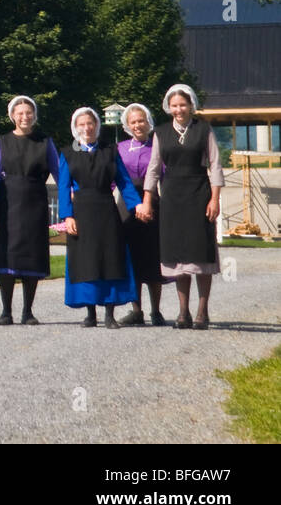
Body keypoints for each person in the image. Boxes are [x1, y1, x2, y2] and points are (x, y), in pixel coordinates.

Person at [139, 84, 224, 329]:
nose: (179, 109)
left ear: (191, 105)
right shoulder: (161, 132)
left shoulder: (203, 129)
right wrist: (147, 199)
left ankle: (202, 311)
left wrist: (215, 199)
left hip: (199, 193)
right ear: (169, 107)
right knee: (178, 257)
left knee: (200, 253)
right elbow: (153, 169)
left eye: (183, 105)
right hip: (172, 198)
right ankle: (183, 311)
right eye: (174, 105)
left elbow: (215, 166)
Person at [58, 107, 142, 328]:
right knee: (86, 261)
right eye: (82, 124)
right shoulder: (68, 153)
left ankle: (109, 314)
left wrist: (137, 206)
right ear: (76, 128)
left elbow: (124, 181)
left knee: (110, 258)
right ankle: (90, 313)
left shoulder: (110, 150)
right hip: (81, 213)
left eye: (90, 123)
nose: (87, 128)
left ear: (97, 125)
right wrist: (67, 216)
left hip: (106, 209)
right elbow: (64, 188)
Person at [0, 95, 60, 325]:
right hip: (8, 203)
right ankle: (6, 311)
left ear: (34, 115)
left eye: (29, 112)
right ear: (12, 116)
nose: (25, 116)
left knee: (33, 255)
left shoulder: (45, 142)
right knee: (8, 254)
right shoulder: (1, 141)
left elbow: (59, 173)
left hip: (35, 203)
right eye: (20, 113)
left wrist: (73, 196)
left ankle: (28, 311)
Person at [117, 103, 165, 326]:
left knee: (152, 258)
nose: (137, 125)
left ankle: (156, 311)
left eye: (141, 120)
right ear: (127, 125)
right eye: (133, 121)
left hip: (153, 204)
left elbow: (165, 176)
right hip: (127, 207)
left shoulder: (158, 145)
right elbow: (111, 177)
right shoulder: (120, 148)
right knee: (133, 258)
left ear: (148, 122)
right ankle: (137, 310)